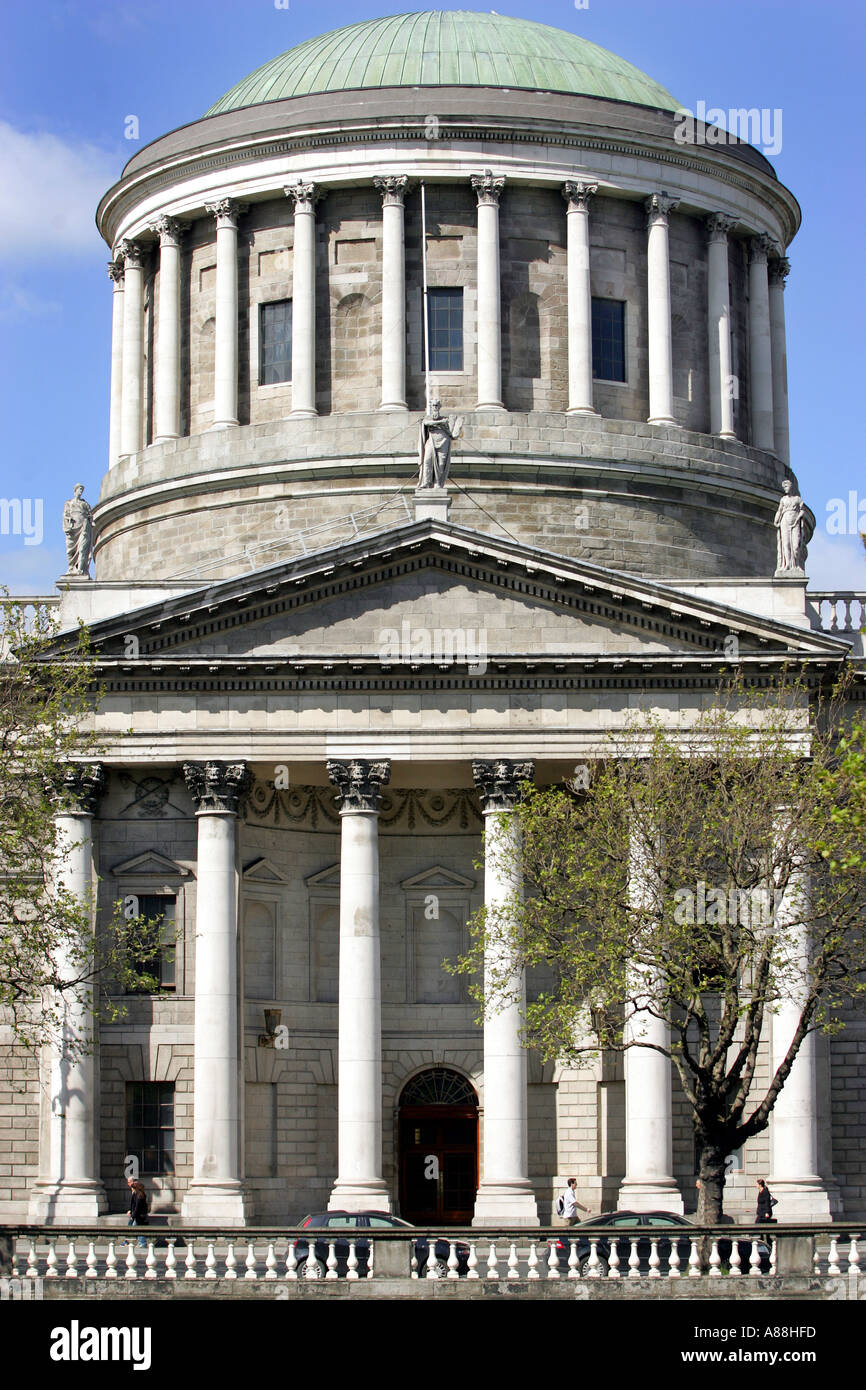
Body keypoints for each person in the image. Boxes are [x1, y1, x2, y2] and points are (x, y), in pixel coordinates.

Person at [127, 1176, 149, 1248]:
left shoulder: (139, 1195)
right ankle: (140, 1242)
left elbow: (137, 1207)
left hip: (139, 1215)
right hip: (139, 1215)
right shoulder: (139, 1194)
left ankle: (142, 1242)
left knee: (138, 1228)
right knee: (136, 1227)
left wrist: (133, 1216)